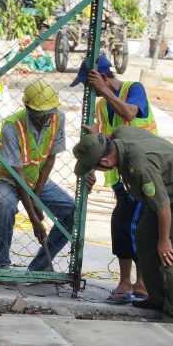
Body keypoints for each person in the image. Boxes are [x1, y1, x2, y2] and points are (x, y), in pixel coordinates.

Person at [74, 128, 173, 323]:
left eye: (93, 167)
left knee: (172, 257)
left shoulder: (140, 166)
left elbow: (163, 206)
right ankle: (157, 300)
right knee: (143, 238)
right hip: (163, 196)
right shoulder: (119, 136)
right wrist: (95, 142)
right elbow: (106, 137)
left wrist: (164, 240)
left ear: (105, 162)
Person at [71, 56, 157, 303]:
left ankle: (127, 283)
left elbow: (130, 112)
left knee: (125, 223)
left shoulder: (134, 89)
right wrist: (92, 171)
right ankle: (139, 284)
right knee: (132, 224)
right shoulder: (101, 107)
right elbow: (102, 145)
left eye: (93, 87)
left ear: (104, 79)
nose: (93, 94)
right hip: (122, 176)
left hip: (144, 169)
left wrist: (103, 91)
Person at [0, 78, 74, 272]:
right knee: (5, 205)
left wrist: (37, 194)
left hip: (35, 179)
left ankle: (40, 266)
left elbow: (50, 157)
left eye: (49, 112)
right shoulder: (12, 126)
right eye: (40, 113)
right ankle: (2, 264)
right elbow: (17, 175)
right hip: (7, 178)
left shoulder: (57, 118)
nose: (46, 118)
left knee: (71, 210)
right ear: (28, 109)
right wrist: (34, 219)